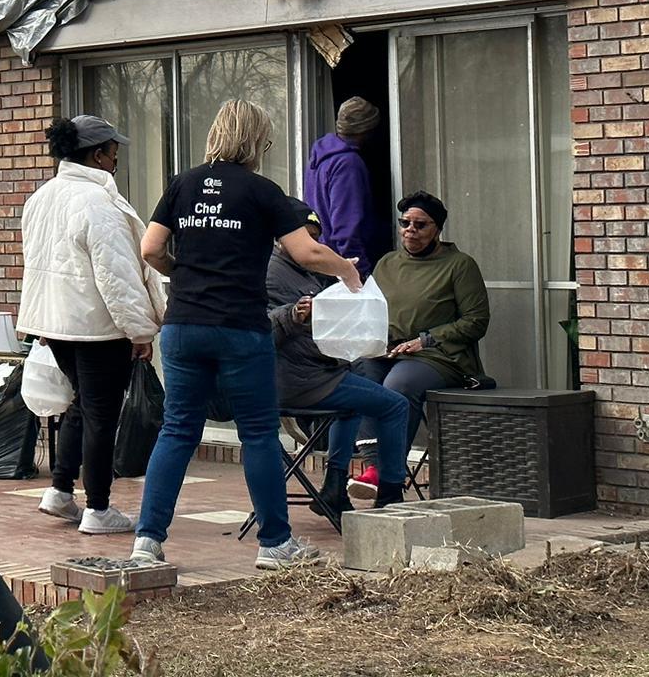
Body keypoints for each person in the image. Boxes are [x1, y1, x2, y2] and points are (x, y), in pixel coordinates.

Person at [130, 99, 362, 571]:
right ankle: (275, 543)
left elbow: (150, 248)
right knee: (257, 432)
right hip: (239, 328)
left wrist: (184, 274)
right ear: (256, 141)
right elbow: (307, 252)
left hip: (183, 326)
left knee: (177, 430)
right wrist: (347, 272)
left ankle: (147, 542)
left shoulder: (183, 184)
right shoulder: (261, 191)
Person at [18, 114, 166, 535]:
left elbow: (36, 263)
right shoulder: (98, 203)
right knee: (102, 415)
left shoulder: (41, 197)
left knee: (81, 405)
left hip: (54, 322)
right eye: (114, 153)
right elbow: (117, 275)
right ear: (98, 155)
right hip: (96, 325)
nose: (116, 161)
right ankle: (98, 508)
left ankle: (61, 490)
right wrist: (140, 330)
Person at [265, 200, 411, 524]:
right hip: (295, 380)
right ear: (283, 237)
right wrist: (293, 314)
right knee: (396, 405)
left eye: (316, 237)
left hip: (314, 372)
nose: (312, 244)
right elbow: (259, 330)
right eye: (305, 236)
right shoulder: (271, 272)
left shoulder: (303, 269)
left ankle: (334, 487)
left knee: (352, 402)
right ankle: (390, 495)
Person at [347, 191, 491, 499]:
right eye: (405, 223)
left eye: (420, 225)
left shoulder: (459, 265)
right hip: (389, 351)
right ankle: (376, 469)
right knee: (359, 378)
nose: (410, 230)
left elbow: (476, 321)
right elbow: (372, 309)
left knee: (398, 386)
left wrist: (425, 340)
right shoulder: (388, 263)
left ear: (437, 229)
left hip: (438, 356)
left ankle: (387, 476)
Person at [304, 97, 386, 277]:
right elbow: (346, 230)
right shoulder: (348, 164)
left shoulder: (320, 159)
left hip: (323, 261)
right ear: (367, 130)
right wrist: (360, 273)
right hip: (341, 267)